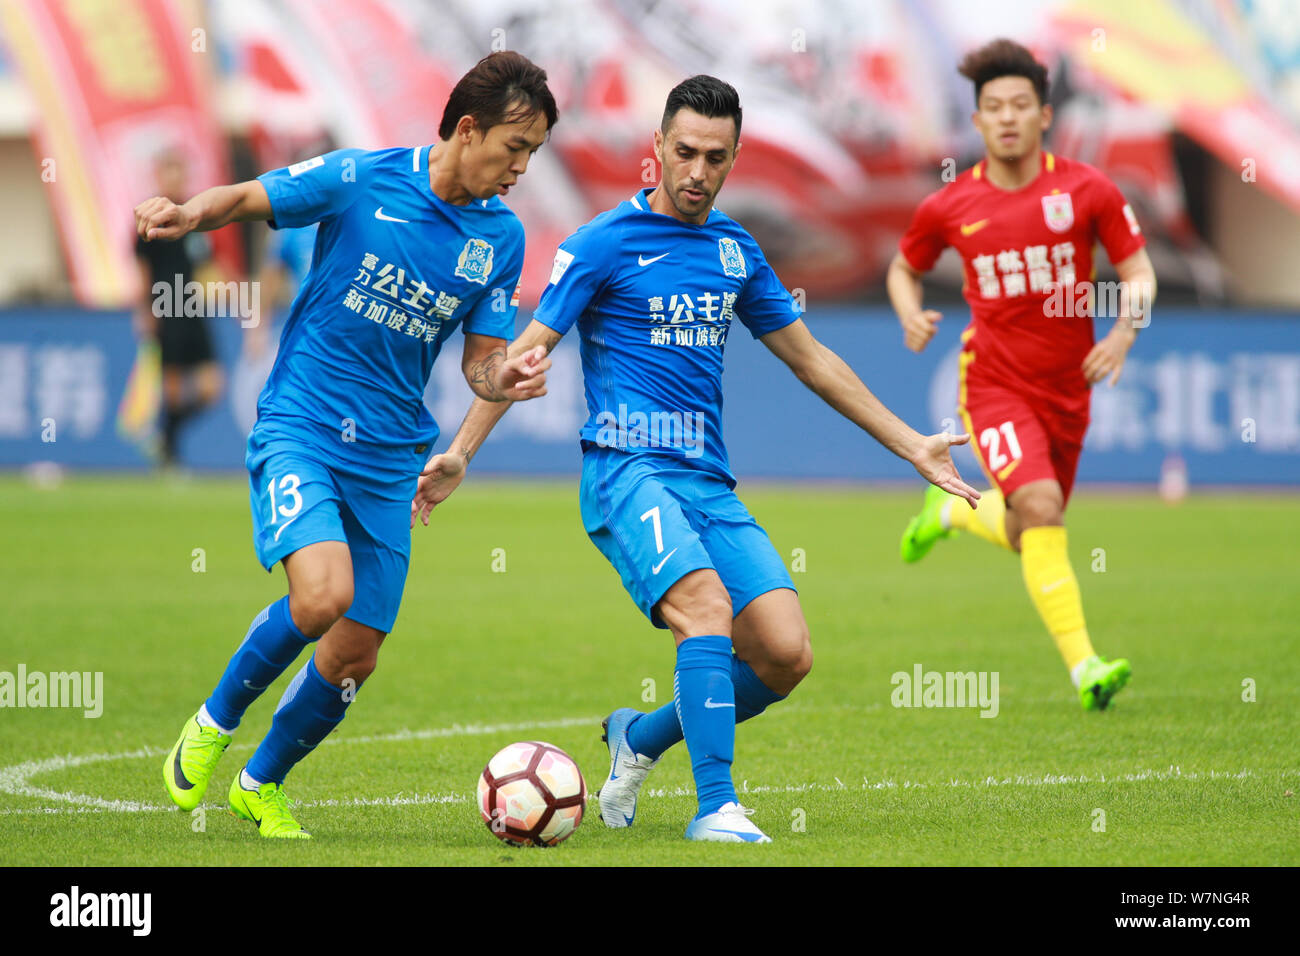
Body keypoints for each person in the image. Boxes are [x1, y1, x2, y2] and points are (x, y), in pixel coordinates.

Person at [412, 75, 978, 843]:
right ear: (657, 147)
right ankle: (717, 806)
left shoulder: (735, 251)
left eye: (715, 157)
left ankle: (638, 737)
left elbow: (813, 361)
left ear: (734, 157)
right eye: (684, 152)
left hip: (706, 481)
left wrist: (912, 442)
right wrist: (460, 454)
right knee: (706, 609)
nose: (697, 171)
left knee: (784, 654)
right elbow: (526, 352)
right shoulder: (603, 242)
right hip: (625, 470)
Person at [140, 52, 557, 838]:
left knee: (353, 653)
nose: (522, 167)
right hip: (302, 423)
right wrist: (192, 214)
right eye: (515, 146)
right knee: (321, 595)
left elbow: (479, 359)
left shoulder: (500, 238)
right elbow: (254, 195)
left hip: (392, 457)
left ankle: (261, 784)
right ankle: (214, 719)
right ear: (468, 130)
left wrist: (506, 376)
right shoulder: (364, 176)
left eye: (533, 153)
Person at [888, 38, 1156, 711]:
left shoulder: (1088, 190)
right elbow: (903, 266)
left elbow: (1138, 272)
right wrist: (910, 313)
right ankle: (1085, 666)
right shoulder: (951, 205)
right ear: (976, 122)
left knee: (1026, 526)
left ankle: (950, 510)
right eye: (992, 107)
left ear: (1044, 115)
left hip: (1069, 391)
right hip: (993, 385)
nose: (1006, 117)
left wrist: (1126, 328)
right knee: (1040, 507)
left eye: (1019, 105)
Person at [133, 149, 225, 466]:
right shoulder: (148, 219)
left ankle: (163, 437)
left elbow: (209, 264)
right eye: (169, 171)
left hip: (193, 310)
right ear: (158, 177)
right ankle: (169, 453)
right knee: (171, 391)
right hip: (166, 310)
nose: (175, 178)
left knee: (212, 388)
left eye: (180, 171)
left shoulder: (195, 217)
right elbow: (143, 274)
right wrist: (145, 311)